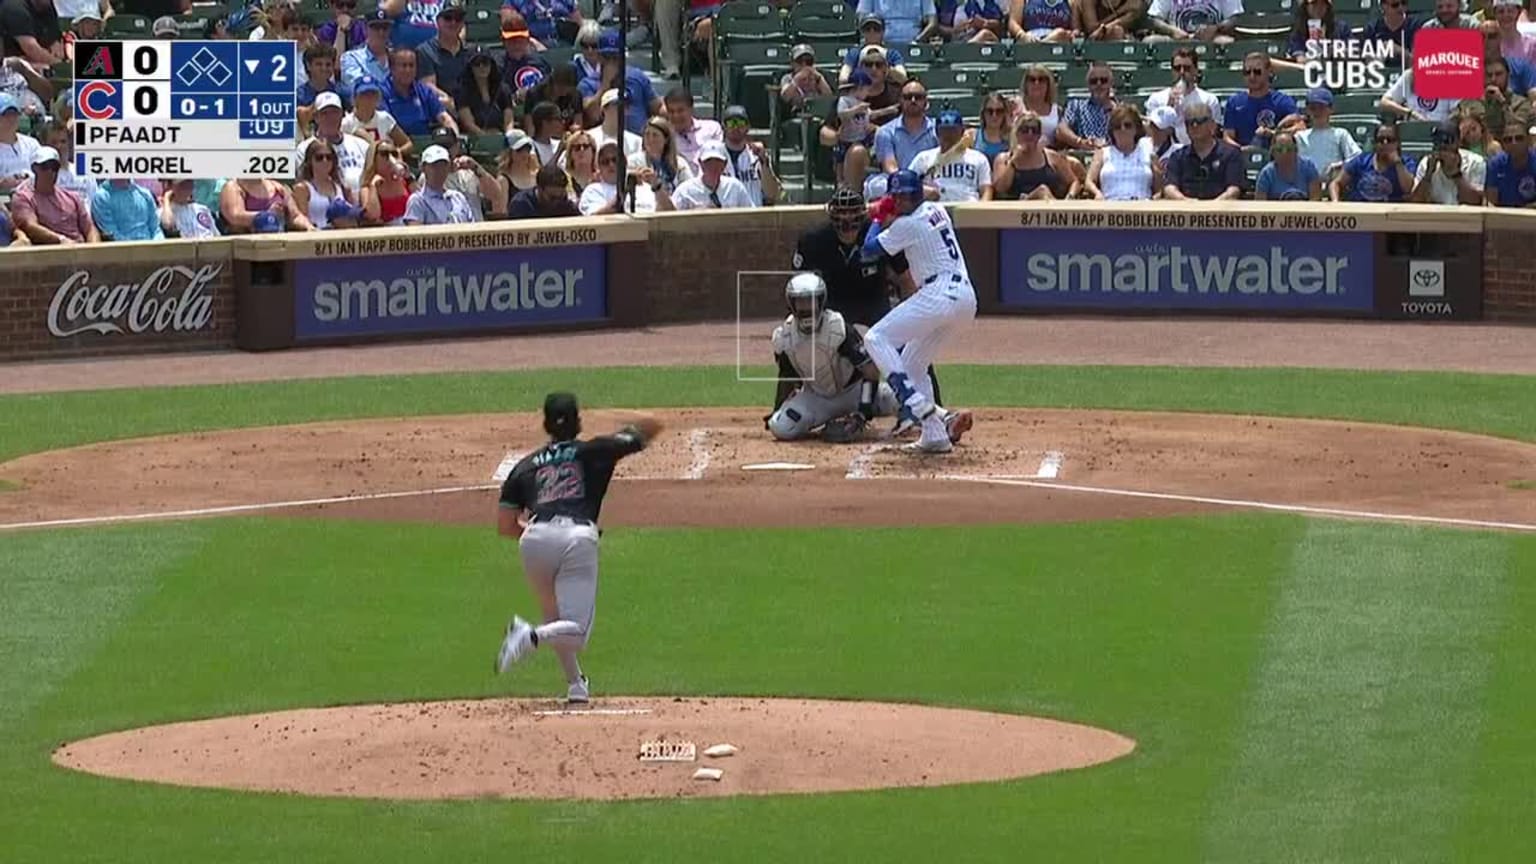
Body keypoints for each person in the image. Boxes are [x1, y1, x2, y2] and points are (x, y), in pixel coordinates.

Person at [493, 395, 665, 704]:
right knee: (576, 631)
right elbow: (653, 426)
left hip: (533, 539)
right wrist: (621, 413)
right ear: (578, 421)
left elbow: (506, 525)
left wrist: (538, 536)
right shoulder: (595, 451)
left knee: (555, 617)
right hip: (576, 537)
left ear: (545, 424)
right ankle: (528, 635)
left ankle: (576, 685)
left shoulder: (524, 466)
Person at [859, 169, 977, 453]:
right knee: (912, 364)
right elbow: (931, 195)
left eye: (905, 196)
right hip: (965, 300)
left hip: (939, 293)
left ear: (916, 194)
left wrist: (878, 214)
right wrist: (890, 206)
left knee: (875, 338)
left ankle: (913, 402)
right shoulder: (937, 210)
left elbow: (868, 249)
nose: (900, 202)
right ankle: (935, 433)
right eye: (897, 197)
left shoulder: (907, 225)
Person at [764, 273, 901, 442]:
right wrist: (779, 408)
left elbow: (870, 371)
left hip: (853, 392)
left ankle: (881, 402)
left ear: (820, 302)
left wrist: (863, 412)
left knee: (906, 402)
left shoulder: (837, 328)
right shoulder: (784, 337)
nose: (806, 307)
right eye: (801, 302)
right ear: (792, 304)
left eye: (811, 301)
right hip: (817, 397)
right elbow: (787, 375)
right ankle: (830, 420)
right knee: (781, 427)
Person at [10, 146, 96, 244]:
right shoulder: (23, 197)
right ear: (34, 168)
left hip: (80, 249)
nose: (50, 171)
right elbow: (30, 226)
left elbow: (89, 228)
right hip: (49, 253)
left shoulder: (72, 197)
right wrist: (61, 240)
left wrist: (94, 249)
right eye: (45, 166)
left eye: (54, 167)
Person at [908, 109, 994, 202]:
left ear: (962, 132)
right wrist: (923, 191)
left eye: (953, 131)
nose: (948, 136)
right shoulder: (924, 158)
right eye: (944, 131)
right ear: (937, 132)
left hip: (967, 208)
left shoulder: (978, 158)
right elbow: (906, 185)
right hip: (934, 210)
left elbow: (986, 190)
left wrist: (981, 210)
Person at [1163, 102, 1244, 199]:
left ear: (1212, 125)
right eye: (1190, 122)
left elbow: (1234, 190)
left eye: (1200, 121)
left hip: (1221, 210)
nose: (1194, 126)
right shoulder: (1177, 156)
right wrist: (1186, 202)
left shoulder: (1231, 154)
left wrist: (1211, 207)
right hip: (1186, 209)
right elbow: (1169, 188)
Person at [1222, 52, 1303, 148]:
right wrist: (1241, 150)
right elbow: (1227, 136)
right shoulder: (1234, 102)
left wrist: (1274, 133)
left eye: (1257, 72)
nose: (1252, 77)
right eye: (1247, 72)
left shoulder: (1282, 101)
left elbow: (1300, 127)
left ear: (1269, 72)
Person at [993, 111, 1078, 199]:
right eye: (1025, 130)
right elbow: (1000, 189)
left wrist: (1070, 196)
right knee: (1042, 191)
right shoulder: (1003, 159)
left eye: (1034, 130)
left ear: (1039, 135)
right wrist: (1013, 161)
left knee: (1043, 192)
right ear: (1017, 133)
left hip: (1050, 207)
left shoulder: (1051, 157)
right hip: (1018, 208)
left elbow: (1073, 182)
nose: (1030, 134)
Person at [1085, 104, 1161, 200]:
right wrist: (1097, 193)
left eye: (1127, 125)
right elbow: (1089, 181)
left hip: (1142, 207)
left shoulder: (1149, 152)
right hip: (1110, 207)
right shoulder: (1103, 153)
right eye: (1117, 126)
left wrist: (1153, 201)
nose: (1122, 129)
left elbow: (1159, 189)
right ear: (1112, 130)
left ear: (1136, 128)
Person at [578, 139, 676, 214]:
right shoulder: (593, 191)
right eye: (605, 162)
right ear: (598, 167)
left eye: (615, 160)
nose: (611, 165)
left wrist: (657, 186)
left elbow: (671, 214)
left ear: (624, 162)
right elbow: (596, 217)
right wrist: (626, 189)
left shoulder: (646, 188)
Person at [1330, 124, 1417, 202]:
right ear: (1375, 143)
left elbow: (1408, 189)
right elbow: (1336, 183)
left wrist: (1398, 163)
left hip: (1390, 213)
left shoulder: (1406, 162)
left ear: (1397, 143)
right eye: (1381, 140)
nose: (1385, 143)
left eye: (1390, 140)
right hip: (1361, 211)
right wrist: (1335, 202)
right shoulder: (1361, 161)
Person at [1410, 120, 1487, 205]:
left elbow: (1476, 202)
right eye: (1438, 142)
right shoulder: (1426, 163)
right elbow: (1415, 201)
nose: (1442, 147)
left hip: (1465, 216)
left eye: (1447, 142)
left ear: (1458, 142)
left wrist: (1456, 175)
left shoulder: (1476, 162)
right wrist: (1428, 175)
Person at [293, 138, 360, 229]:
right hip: (316, 237)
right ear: (310, 161)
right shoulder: (303, 189)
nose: (325, 161)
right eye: (319, 158)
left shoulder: (342, 187)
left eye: (329, 157)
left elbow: (354, 217)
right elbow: (302, 220)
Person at [1295, 88, 1360, 179]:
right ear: (1307, 110)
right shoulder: (1299, 136)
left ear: (1331, 109)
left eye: (1321, 107)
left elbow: (1357, 158)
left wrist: (1340, 165)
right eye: (1313, 108)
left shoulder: (1340, 134)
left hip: (1332, 183)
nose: (1317, 112)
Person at [720, 105, 780, 206]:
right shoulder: (714, 155)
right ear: (724, 127)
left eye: (740, 123)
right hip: (725, 216)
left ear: (748, 127)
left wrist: (764, 162)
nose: (736, 127)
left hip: (753, 214)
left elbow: (772, 194)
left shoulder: (756, 156)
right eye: (731, 123)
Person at [404, 145, 479, 224]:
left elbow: (472, 228)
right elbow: (415, 234)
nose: (439, 170)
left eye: (443, 165)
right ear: (423, 168)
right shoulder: (417, 201)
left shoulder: (458, 198)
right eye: (434, 166)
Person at [671, 142, 755, 209]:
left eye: (718, 162)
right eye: (708, 162)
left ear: (725, 164)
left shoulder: (735, 187)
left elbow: (752, 215)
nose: (713, 166)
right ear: (700, 163)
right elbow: (671, 218)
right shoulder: (685, 191)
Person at [1254, 131, 1322, 200]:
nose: (1285, 153)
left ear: (1296, 150)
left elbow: (1315, 199)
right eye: (1280, 150)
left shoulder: (1308, 167)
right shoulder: (1266, 174)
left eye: (1289, 149)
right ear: (1273, 152)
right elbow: (1260, 203)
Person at [1484, 120, 1536, 206]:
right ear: (1503, 144)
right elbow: (1492, 202)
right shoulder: (1495, 165)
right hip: (1504, 216)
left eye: (1519, 138)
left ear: (1529, 140)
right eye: (1508, 140)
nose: (1514, 143)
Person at [509, 163, 582, 218]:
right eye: (552, 198)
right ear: (540, 189)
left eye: (560, 197)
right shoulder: (521, 204)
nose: (556, 203)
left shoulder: (564, 203)